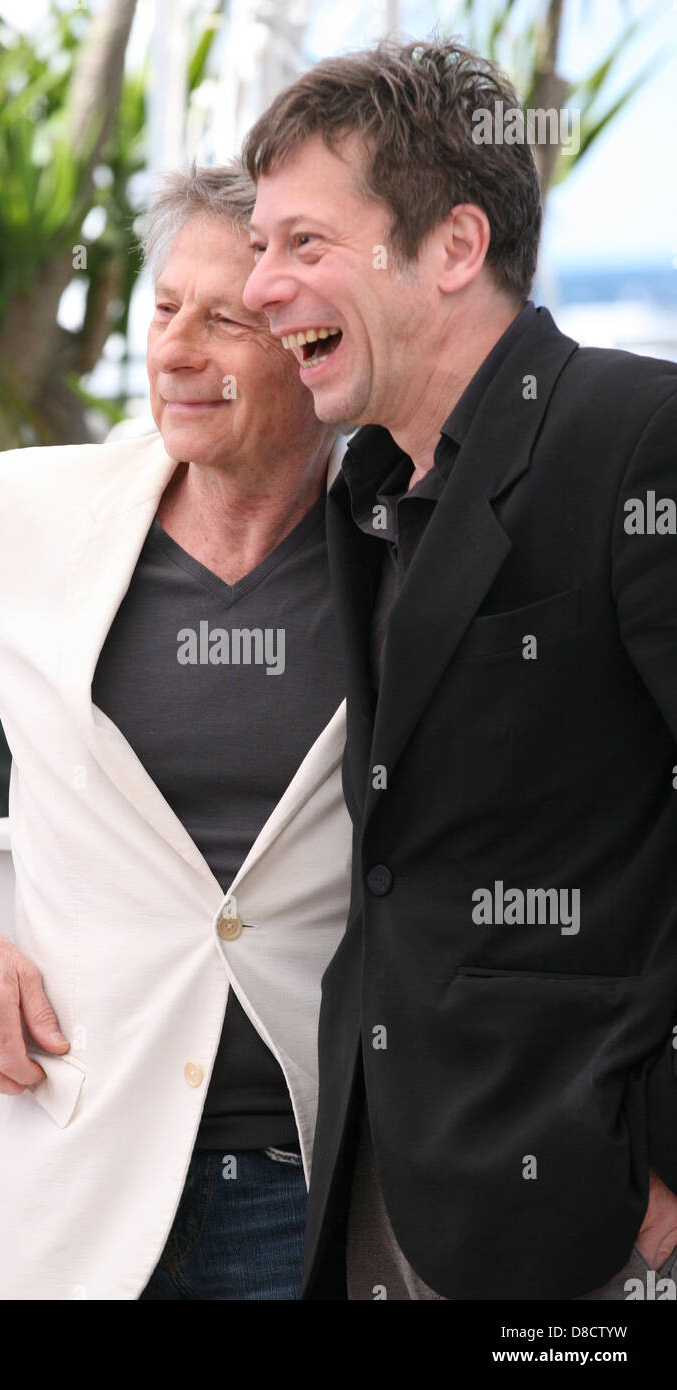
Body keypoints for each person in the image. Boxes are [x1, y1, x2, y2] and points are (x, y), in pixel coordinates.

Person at [0, 162, 351, 1300]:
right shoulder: (30, 512)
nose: (173, 350)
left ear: (309, 344)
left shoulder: (412, 539)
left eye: (223, 320)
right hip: (84, 1189)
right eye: (164, 309)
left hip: (330, 1188)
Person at [241, 38, 677, 1301]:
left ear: (452, 248)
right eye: (261, 245)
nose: (266, 287)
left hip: (585, 1221)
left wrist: (662, 1164)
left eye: (303, 244)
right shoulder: (364, 492)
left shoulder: (636, 437)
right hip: (386, 1191)